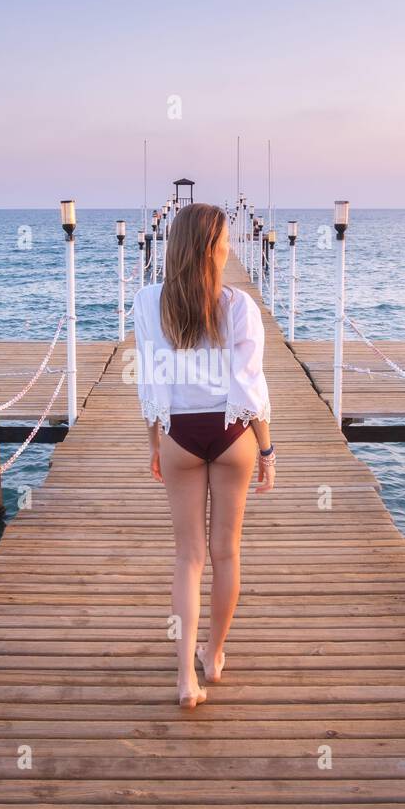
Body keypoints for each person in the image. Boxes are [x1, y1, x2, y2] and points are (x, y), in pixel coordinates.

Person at [132, 202, 274, 709]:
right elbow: (249, 385)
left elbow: (151, 377)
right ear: (210, 250)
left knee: (188, 558)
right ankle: (212, 657)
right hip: (232, 432)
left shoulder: (150, 303)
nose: (231, 248)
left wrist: (154, 440)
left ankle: (183, 679)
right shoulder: (239, 307)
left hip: (180, 435)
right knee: (226, 553)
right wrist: (267, 447)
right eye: (225, 242)